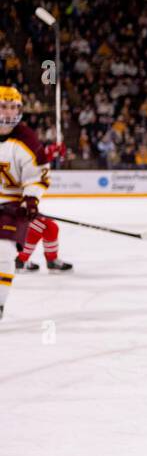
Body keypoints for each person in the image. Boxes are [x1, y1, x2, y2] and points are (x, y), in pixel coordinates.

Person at [0, 86, 56, 318]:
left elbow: (38, 175)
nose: (10, 112)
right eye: (4, 106)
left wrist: (31, 201)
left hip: (13, 207)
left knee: (3, 253)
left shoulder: (27, 139)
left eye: (14, 106)